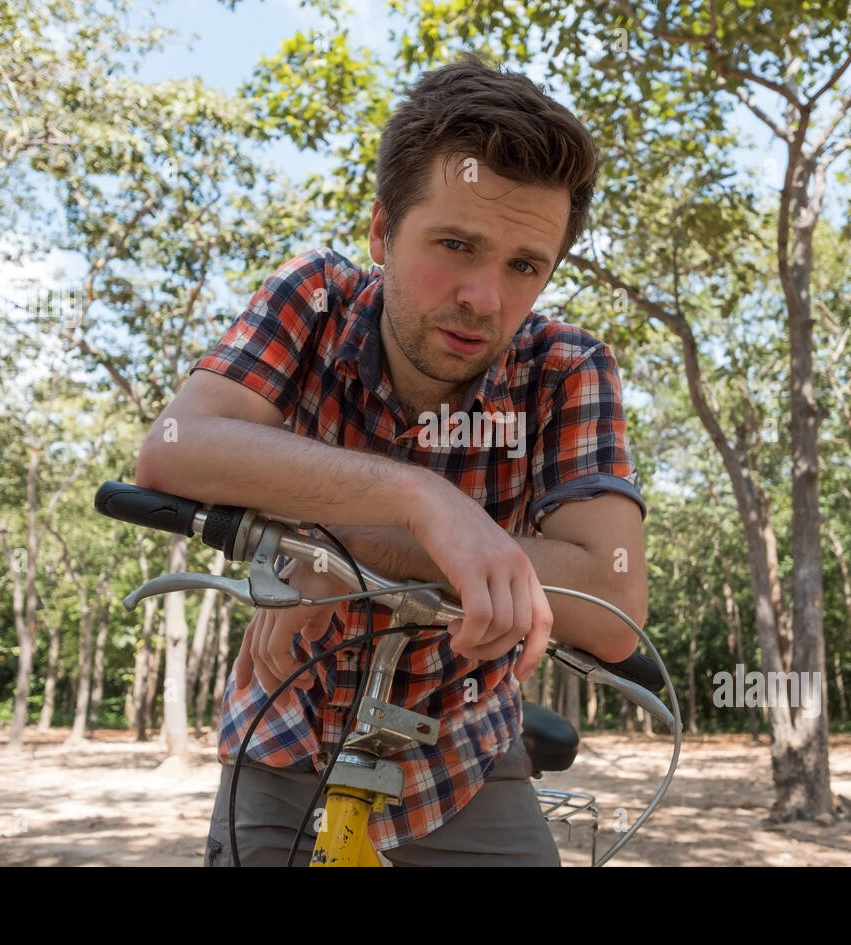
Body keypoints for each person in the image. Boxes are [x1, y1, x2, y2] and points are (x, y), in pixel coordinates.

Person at [134, 53, 648, 866]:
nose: (485, 297)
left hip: (467, 757)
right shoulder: (313, 299)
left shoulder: (567, 368)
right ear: (381, 230)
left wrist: (326, 534)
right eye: (454, 243)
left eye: (524, 266)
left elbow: (612, 599)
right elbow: (171, 451)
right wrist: (420, 500)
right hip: (283, 735)